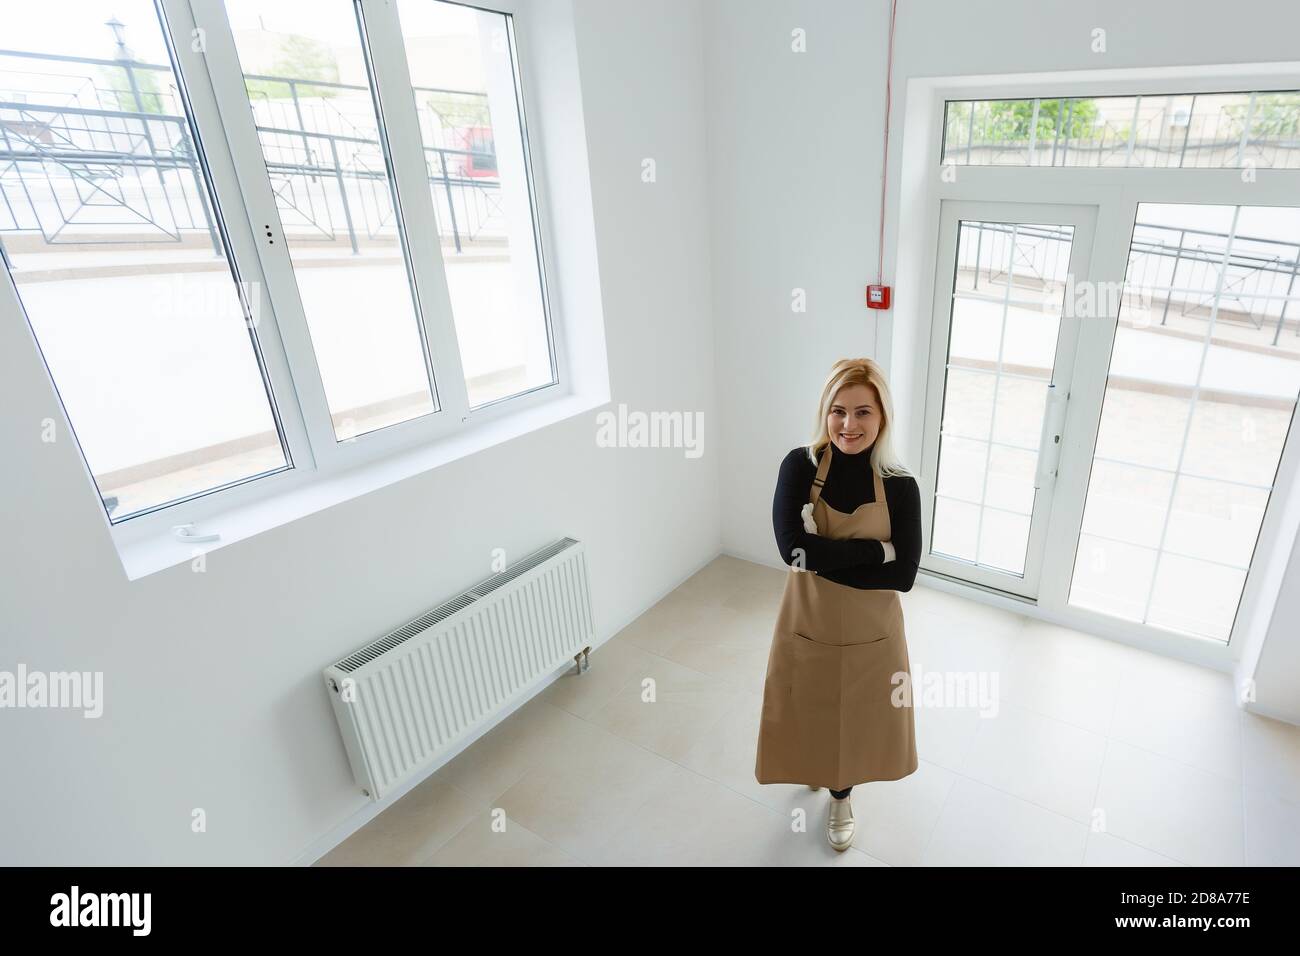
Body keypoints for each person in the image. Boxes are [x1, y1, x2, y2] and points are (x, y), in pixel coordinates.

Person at [754, 357, 922, 852]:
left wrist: (825, 554)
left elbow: (905, 575)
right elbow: (793, 550)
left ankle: (842, 796)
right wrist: (875, 551)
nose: (849, 425)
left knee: (855, 719)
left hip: (874, 634)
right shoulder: (800, 465)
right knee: (807, 706)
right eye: (839, 411)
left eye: (863, 412)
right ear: (824, 412)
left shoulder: (900, 485)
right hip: (807, 621)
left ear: (883, 417)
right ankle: (814, 768)